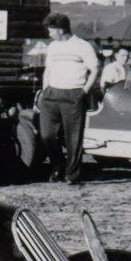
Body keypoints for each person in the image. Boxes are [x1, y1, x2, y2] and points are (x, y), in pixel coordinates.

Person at [39, 13, 99, 184]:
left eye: (51, 29)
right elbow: (48, 70)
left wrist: (84, 92)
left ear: (61, 29)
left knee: (73, 138)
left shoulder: (83, 46)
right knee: (46, 135)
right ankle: (57, 166)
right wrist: (45, 91)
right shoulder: (52, 47)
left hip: (74, 94)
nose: (49, 33)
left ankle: (71, 175)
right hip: (51, 95)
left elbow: (95, 69)